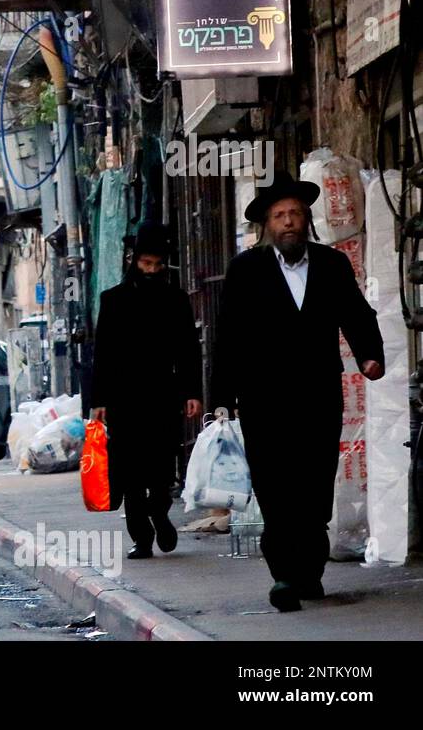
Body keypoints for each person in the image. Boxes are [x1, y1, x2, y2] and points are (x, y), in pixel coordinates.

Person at [212, 171, 384, 612]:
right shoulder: (246, 270)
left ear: (306, 219)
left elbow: (357, 313)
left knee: (312, 487)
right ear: (267, 224)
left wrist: (370, 354)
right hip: (264, 400)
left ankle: (309, 568)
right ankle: (284, 576)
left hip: (318, 397)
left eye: (295, 213)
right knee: (275, 487)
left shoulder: (331, 265)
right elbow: (227, 335)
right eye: (279, 215)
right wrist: (221, 395)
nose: (288, 221)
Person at [90, 222, 202, 559]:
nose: (151, 271)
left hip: (163, 395)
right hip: (124, 399)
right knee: (130, 473)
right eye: (145, 264)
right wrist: (99, 401)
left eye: (157, 265)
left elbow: (187, 349)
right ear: (133, 261)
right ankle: (141, 537)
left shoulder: (176, 300)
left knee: (163, 465)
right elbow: (103, 354)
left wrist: (191, 392)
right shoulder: (113, 300)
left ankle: (160, 512)